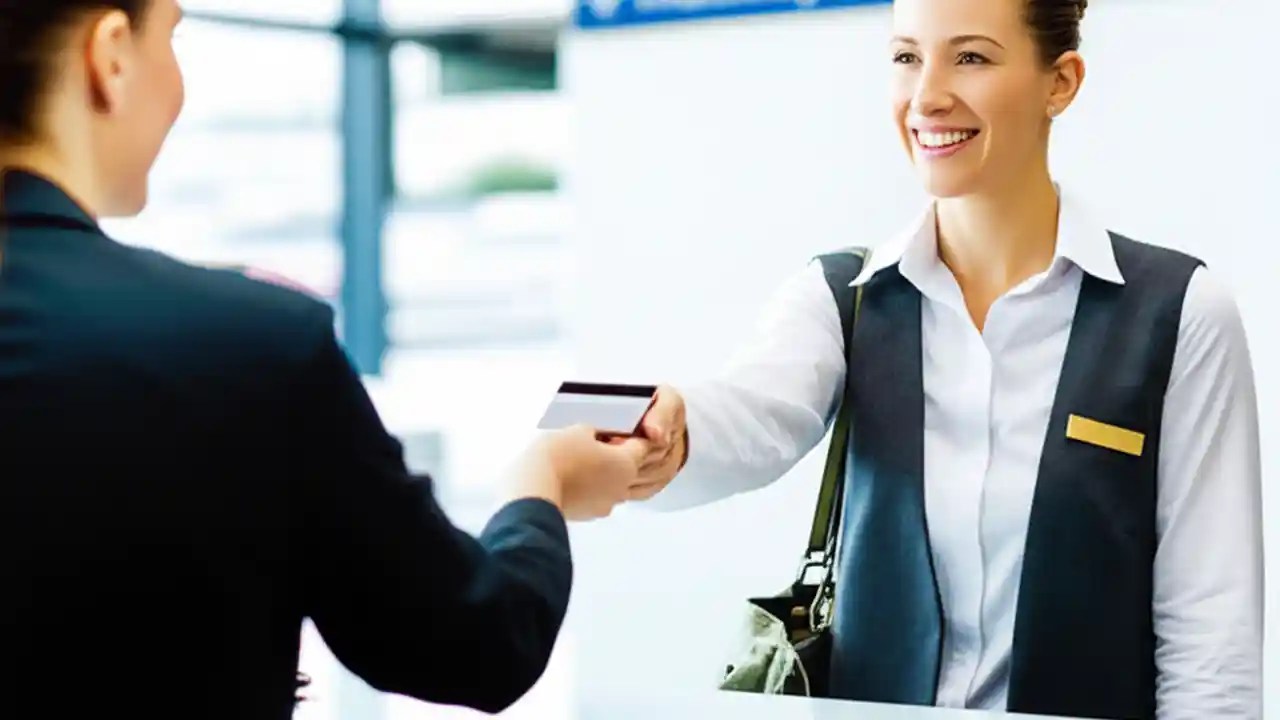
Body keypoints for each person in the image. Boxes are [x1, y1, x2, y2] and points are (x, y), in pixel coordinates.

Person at [0, 0, 647, 716]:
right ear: (111, 55)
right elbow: (477, 643)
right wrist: (544, 484)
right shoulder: (247, 345)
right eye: (173, 35)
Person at [629, 0, 1264, 718]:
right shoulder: (846, 297)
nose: (926, 96)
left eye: (971, 57)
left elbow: (1212, 638)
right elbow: (751, 413)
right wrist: (669, 432)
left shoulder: (1180, 313)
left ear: (1060, 82)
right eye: (906, 57)